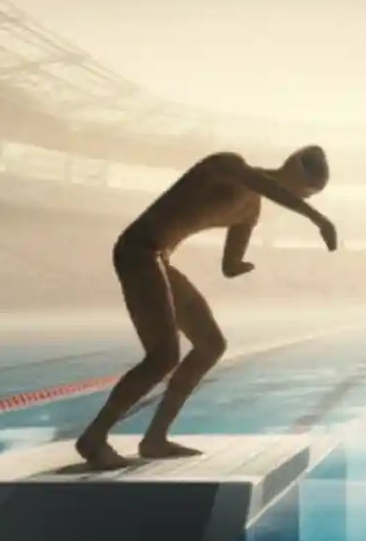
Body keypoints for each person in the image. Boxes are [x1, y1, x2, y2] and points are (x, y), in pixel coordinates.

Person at [75, 147, 337, 470]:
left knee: (211, 345)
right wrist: (318, 220)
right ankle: (93, 437)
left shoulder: (250, 212)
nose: (304, 200)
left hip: (159, 258)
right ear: (295, 174)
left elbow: (229, 264)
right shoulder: (229, 165)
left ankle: (155, 438)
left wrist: (241, 266)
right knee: (163, 356)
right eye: (307, 194)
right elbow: (267, 186)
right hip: (139, 251)